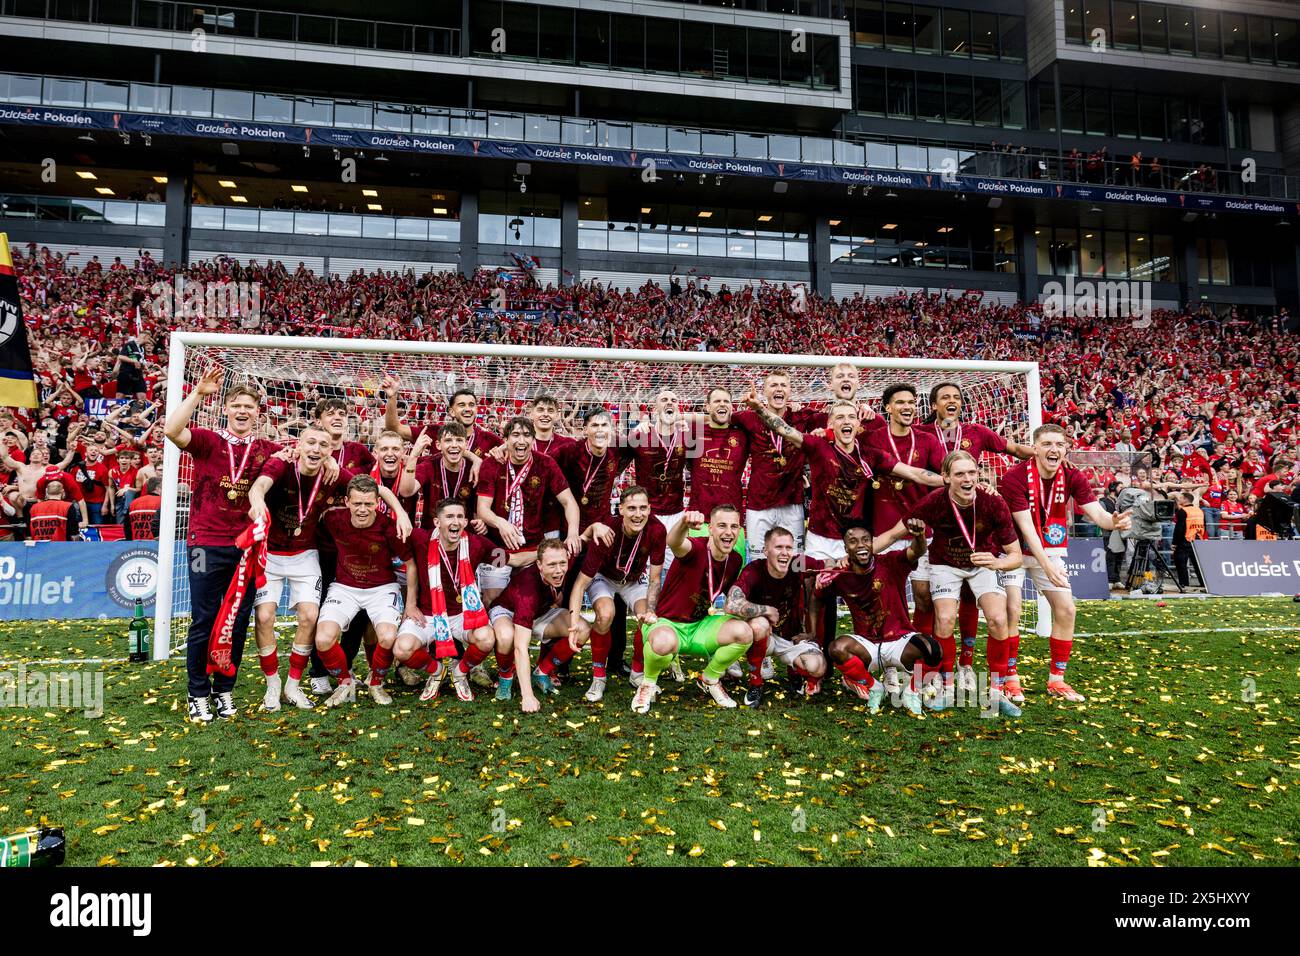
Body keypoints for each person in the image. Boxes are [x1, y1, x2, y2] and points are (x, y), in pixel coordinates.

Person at [246, 426, 410, 711]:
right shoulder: (281, 462)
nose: (316, 449)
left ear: (329, 451)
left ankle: (293, 686)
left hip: (305, 553)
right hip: (270, 552)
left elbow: (375, 488)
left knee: (309, 616)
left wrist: (401, 512)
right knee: (264, 617)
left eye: (323, 445)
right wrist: (257, 501)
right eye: (310, 442)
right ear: (298, 445)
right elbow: (259, 486)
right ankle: (272, 686)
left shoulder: (334, 473)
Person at [164, 368, 279, 723]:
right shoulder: (208, 441)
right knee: (204, 619)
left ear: (258, 412)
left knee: (238, 620)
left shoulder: (266, 449)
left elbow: (300, 456)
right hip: (205, 542)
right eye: (236, 405)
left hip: (246, 548)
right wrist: (198, 393)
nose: (242, 410)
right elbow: (171, 430)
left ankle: (224, 690)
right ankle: (196, 693)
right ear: (226, 409)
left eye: (249, 406)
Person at [880, 451, 1024, 715]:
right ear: (946, 477)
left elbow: (1015, 556)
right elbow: (892, 534)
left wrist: (997, 563)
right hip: (944, 564)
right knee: (945, 619)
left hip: (983, 564)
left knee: (998, 619)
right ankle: (946, 686)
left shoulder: (993, 501)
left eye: (971, 472)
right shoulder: (934, 502)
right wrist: (851, 556)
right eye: (959, 474)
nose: (967, 479)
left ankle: (997, 690)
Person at [998, 424, 1131, 703]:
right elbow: (1026, 528)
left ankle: (1056, 680)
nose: (1053, 449)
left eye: (1059, 444)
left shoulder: (1072, 475)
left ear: (1066, 448)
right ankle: (1010, 678)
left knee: (1066, 609)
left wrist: (1114, 523)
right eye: (1046, 444)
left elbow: (1097, 514)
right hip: (1013, 550)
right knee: (1012, 609)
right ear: (1034, 448)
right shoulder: (1014, 477)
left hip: (1049, 550)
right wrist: (1046, 565)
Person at [632, 505, 753, 714]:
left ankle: (710, 679)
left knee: (744, 632)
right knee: (662, 642)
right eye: (722, 525)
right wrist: (684, 524)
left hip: (699, 627)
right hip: (667, 624)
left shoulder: (735, 560)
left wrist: (760, 611)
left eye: (734, 526)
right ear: (711, 529)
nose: (729, 532)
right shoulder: (696, 548)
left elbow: (729, 601)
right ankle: (647, 684)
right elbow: (674, 542)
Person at [314, 476, 416, 708]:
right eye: (357, 503)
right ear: (347, 502)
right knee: (322, 639)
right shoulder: (331, 518)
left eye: (368, 504)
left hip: (381, 588)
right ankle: (344, 682)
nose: (362, 509)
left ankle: (376, 683)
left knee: (388, 637)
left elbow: (411, 563)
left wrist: (410, 604)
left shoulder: (389, 527)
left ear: (377, 503)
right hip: (345, 587)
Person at [813, 520, 933, 715]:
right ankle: (873, 686)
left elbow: (916, 551)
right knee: (837, 648)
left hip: (899, 642)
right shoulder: (840, 575)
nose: (860, 545)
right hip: (867, 645)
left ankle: (911, 693)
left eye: (866, 540)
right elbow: (816, 597)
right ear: (845, 548)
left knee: (932, 648)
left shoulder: (891, 562)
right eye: (853, 541)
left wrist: (919, 536)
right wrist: (820, 580)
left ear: (872, 543)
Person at [560, 486, 665, 702]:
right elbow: (580, 585)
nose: (638, 514)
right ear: (621, 510)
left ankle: (637, 672)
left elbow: (654, 579)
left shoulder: (657, 530)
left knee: (648, 620)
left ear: (650, 509)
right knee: (606, 615)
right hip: (604, 577)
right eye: (632, 508)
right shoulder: (607, 531)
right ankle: (599, 676)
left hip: (633, 579)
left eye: (643, 508)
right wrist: (573, 624)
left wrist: (652, 611)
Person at [395, 499, 499, 702]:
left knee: (487, 638)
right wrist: (410, 603)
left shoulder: (477, 544)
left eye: (460, 516)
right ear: (436, 522)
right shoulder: (419, 539)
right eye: (449, 516)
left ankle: (459, 672)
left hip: (462, 613)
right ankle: (437, 671)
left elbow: (508, 558)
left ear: (466, 521)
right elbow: (394, 540)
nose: (456, 521)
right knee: (402, 649)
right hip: (428, 614)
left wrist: (541, 556)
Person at [725, 526, 827, 706]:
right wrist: (765, 610)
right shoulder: (754, 570)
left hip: (791, 637)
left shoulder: (798, 563)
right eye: (779, 547)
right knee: (759, 624)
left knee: (817, 666)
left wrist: (826, 573)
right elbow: (731, 604)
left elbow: (830, 565)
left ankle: (796, 674)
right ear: (765, 550)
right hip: (762, 635)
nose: (785, 553)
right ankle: (756, 682)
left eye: (789, 548)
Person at [485, 538, 589, 712]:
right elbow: (521, 648)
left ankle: (541, 672)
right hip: (507, 611)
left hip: (540, 613)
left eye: (562, 563)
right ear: (539, 565)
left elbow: (584, 537)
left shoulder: (564, 562)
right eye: (552, 565)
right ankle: (505, 676)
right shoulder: (528, 591)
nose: (558, 570)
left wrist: (595, 528)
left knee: (582, 629)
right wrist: (528, 697)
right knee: (507, 637)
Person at [1172, 490, 1205, 589]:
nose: (1179, 499)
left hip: (1185, 540)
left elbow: (1179, 528)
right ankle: (1203, 583)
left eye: (1181, 498)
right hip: (1198, 539)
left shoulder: (1183, 511)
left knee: (1181, 563)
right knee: (1198, 564)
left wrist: (1174, 543)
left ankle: (1184, 584)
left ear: (1185, 500)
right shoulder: (1199, 510)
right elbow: (1204, 525)